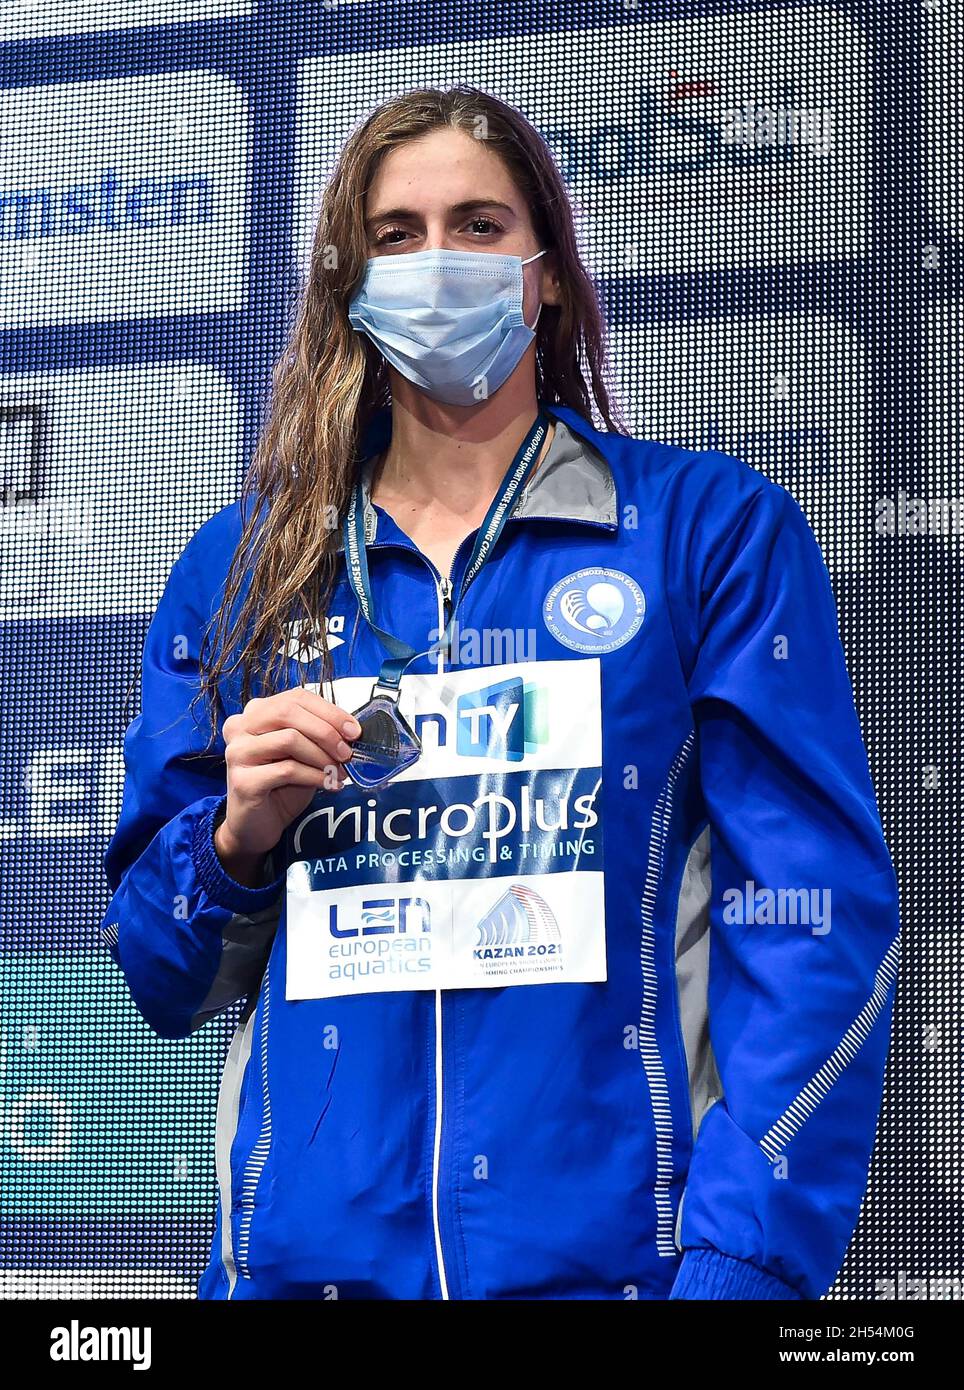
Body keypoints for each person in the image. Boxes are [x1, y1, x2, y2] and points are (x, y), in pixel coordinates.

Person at [100, 85, 901, 1301]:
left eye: (478, 225)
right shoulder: (247, 562)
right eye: (397, 234)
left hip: (614, 1276)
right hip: (295, 1279)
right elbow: (161, 977)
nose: (439, 264)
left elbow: (810, 927)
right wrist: (234, 841)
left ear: (550, 276)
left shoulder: (704, 532)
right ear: (349, 287)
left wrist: (737, 1275)